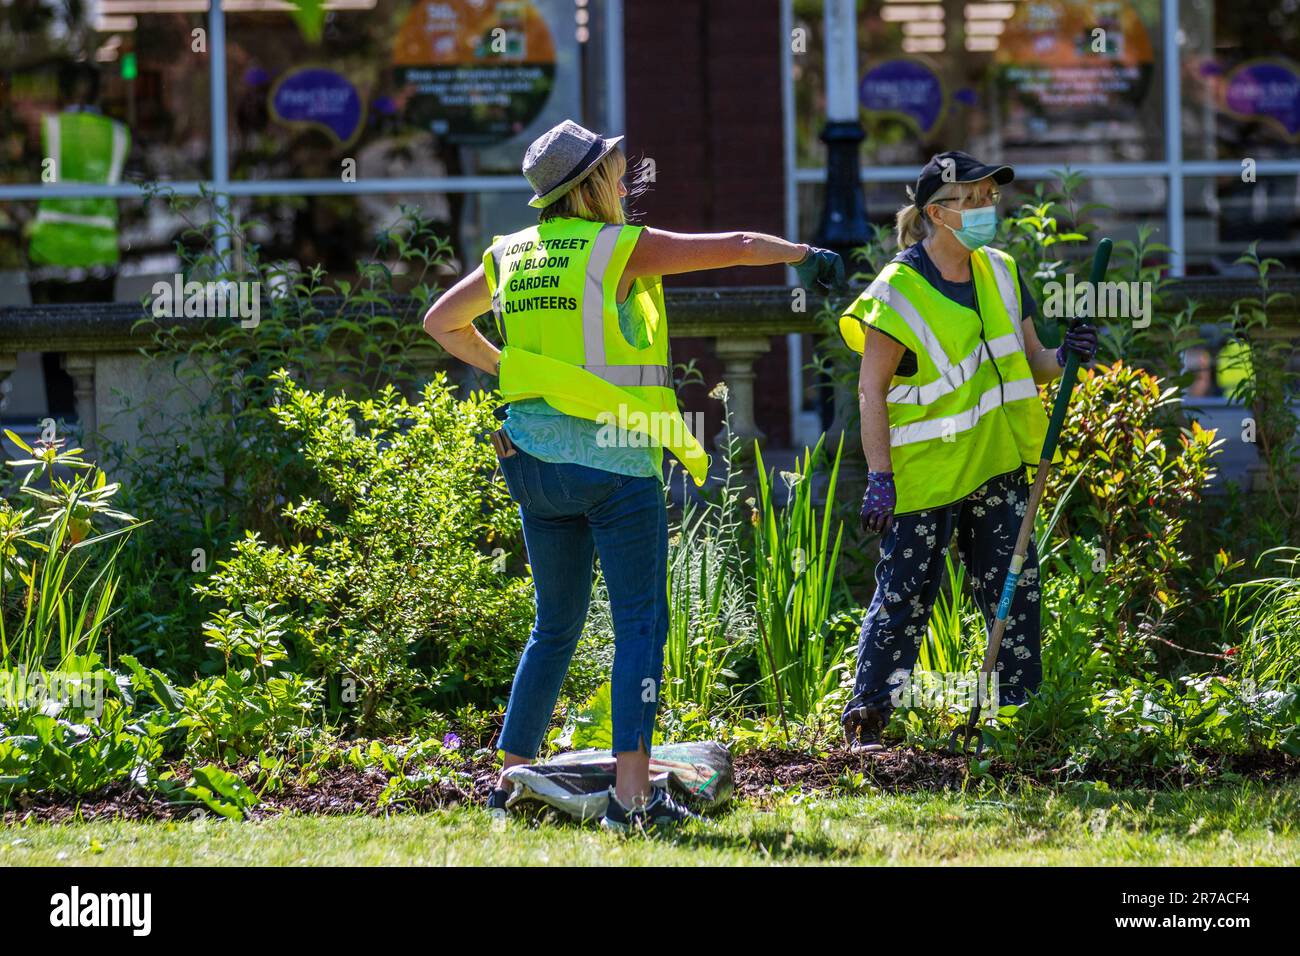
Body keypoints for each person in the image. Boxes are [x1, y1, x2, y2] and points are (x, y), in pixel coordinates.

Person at [423, 119, 843, 830]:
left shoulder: (510, 255)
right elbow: (736, 248)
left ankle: (505, 781)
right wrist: (806, 253)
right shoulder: (616, 250)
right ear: (591, 186)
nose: (625, 182)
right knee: (640, 625)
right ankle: (630, 797)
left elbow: (441, 322)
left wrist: (521, 372)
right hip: (614, 465)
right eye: (616, 172)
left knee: (552, 627)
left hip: (530, 465)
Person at [837, 151, 1098, 751]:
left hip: (995, 465)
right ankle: (868, 721)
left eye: (990, 198)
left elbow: (1032, 360)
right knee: (904, 595)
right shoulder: (898, 289)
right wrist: (880, 476)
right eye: (973, 199)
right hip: (925, 475)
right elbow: (869, 387)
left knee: (1016, 585)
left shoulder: (1001, 271)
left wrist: (1066, 355)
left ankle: (1017, 716)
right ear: (937, 212)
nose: (986, 209)